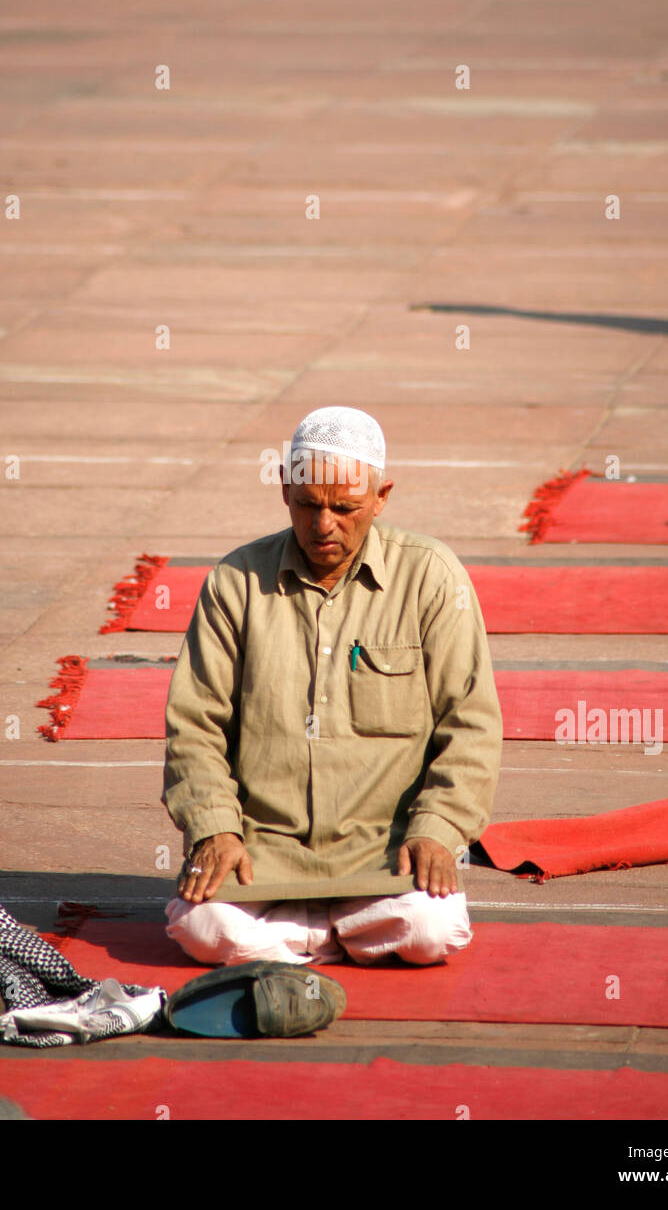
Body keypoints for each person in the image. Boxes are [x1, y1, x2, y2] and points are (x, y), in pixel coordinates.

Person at [162, 406, 502, 967]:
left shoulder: (432, 577)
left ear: (382, 495)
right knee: (204, 928)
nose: (324, 526)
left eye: (345, 509)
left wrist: (438, 830)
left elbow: (471, 725)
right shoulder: (235, 582)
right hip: (261, 856)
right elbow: (194, 726)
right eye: (308, 505)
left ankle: (299, 946)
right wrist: (214, 828)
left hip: (384, 855)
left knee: (429, 931)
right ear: (284, 488)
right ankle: (337, 937)